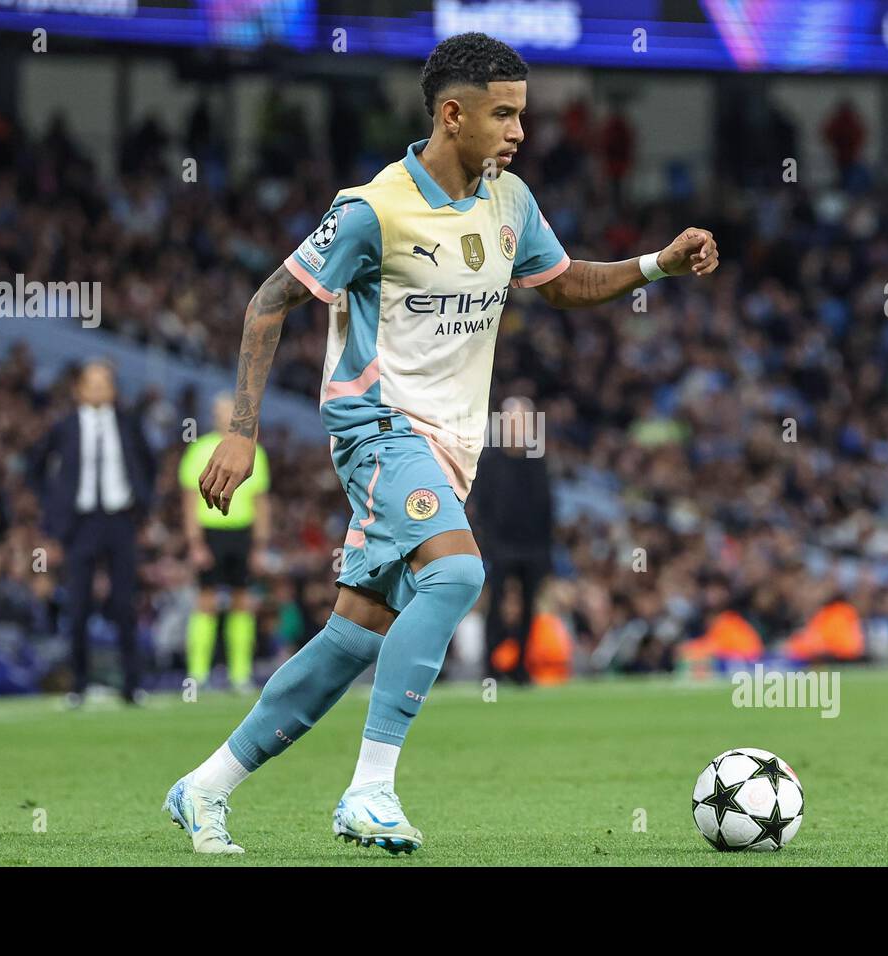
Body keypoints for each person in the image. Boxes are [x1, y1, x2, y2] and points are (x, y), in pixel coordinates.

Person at [163, 31, 719, 855]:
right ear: (452, 115)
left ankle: (204, 788)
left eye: (522, 115)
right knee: (458, 572)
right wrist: (240, 435)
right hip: (378, 427)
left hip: (450, 447)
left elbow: (561, 282)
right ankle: (370, 791)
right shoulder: (372, 209)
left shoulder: (509, 200)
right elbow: (268, 302)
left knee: (353, 636)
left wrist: (655, 266)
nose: (520, 132)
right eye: (505, 115)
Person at [30, 361, 156, 706]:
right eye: (92, 383)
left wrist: (142, 504)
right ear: (80, 389)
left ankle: (132, 686)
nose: (99, 390)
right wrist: (53, 508)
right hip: (80, 522)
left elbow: (149, 462)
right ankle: (79, 685)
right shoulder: (65, 426)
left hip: (120, 520)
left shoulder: (128, 424)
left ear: (113, 389)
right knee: (79, 604)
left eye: (105, 383)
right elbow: (35, 466)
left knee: (125, 603)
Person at [177, 394, 271, 691]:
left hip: (242, 532)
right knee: (206, 602)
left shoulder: (255, 451)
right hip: (210, 532)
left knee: (242, 602)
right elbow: (189, 501)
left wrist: (259, 545)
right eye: (220, 412)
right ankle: (198, 675)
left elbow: (261, 502)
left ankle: (240, 675)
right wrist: (195, 543)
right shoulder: (200, 450)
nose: (226, 417)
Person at [473, 396, 554, 685]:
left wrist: (546, 553)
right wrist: (489, 546)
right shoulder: (491, 461)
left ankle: (520, 665)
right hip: (500, 547)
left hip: (531, 548)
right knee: (495, 606)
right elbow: (482, 507)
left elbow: (546, 509)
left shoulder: (536, 461)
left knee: (529, 607)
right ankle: (491, 664)